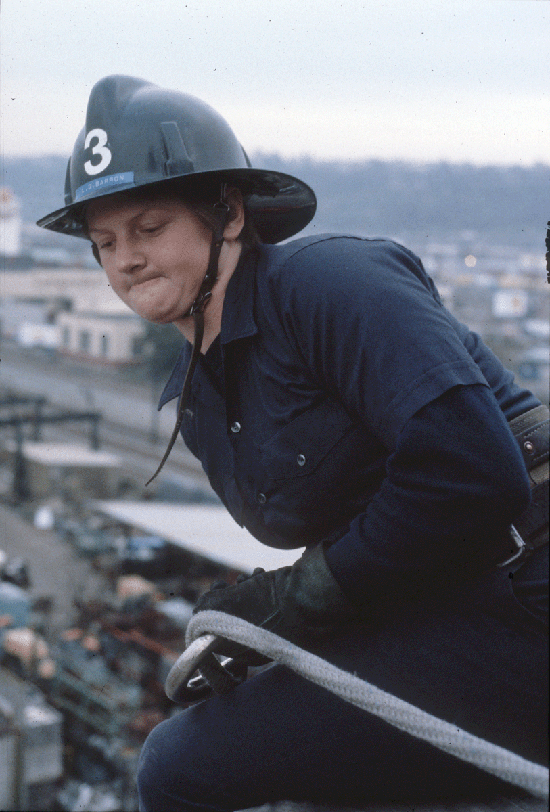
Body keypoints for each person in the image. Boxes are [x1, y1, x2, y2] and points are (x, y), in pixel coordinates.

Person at [38, 75, 548, 812]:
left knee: (180, 770)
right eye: (105, 242)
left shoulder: (330, 284)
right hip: (446, 609)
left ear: (230, 214)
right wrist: (271, 626)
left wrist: (303, 598)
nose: (125, 261)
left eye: (149, 228)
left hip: (526, 585)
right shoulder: (202, 396)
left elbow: (471, 472)